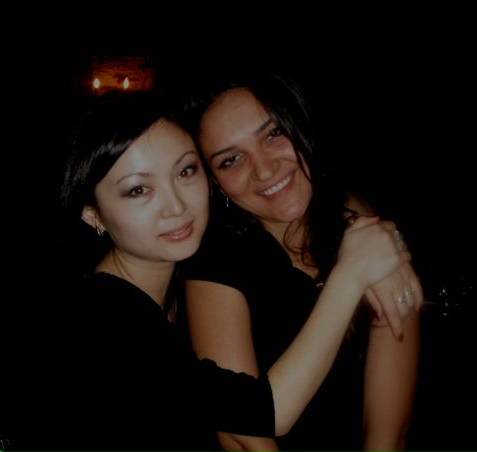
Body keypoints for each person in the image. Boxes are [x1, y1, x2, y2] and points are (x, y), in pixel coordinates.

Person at [48, 89, 412, 452]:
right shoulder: (100, 319)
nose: (176, 206)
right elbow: (262, 413)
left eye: (185, 171)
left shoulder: (167, 285)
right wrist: (351, 274)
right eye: (138, 189)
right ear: (92, 213)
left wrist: (366, 228)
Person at [175, 68, 422, 451]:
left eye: (273, 134)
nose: (265, 169)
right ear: (214, 183)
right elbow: (244, 439)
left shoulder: (361, 227)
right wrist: (351, 275)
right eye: (230, 160)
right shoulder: (214, 263)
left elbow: (389, 430)